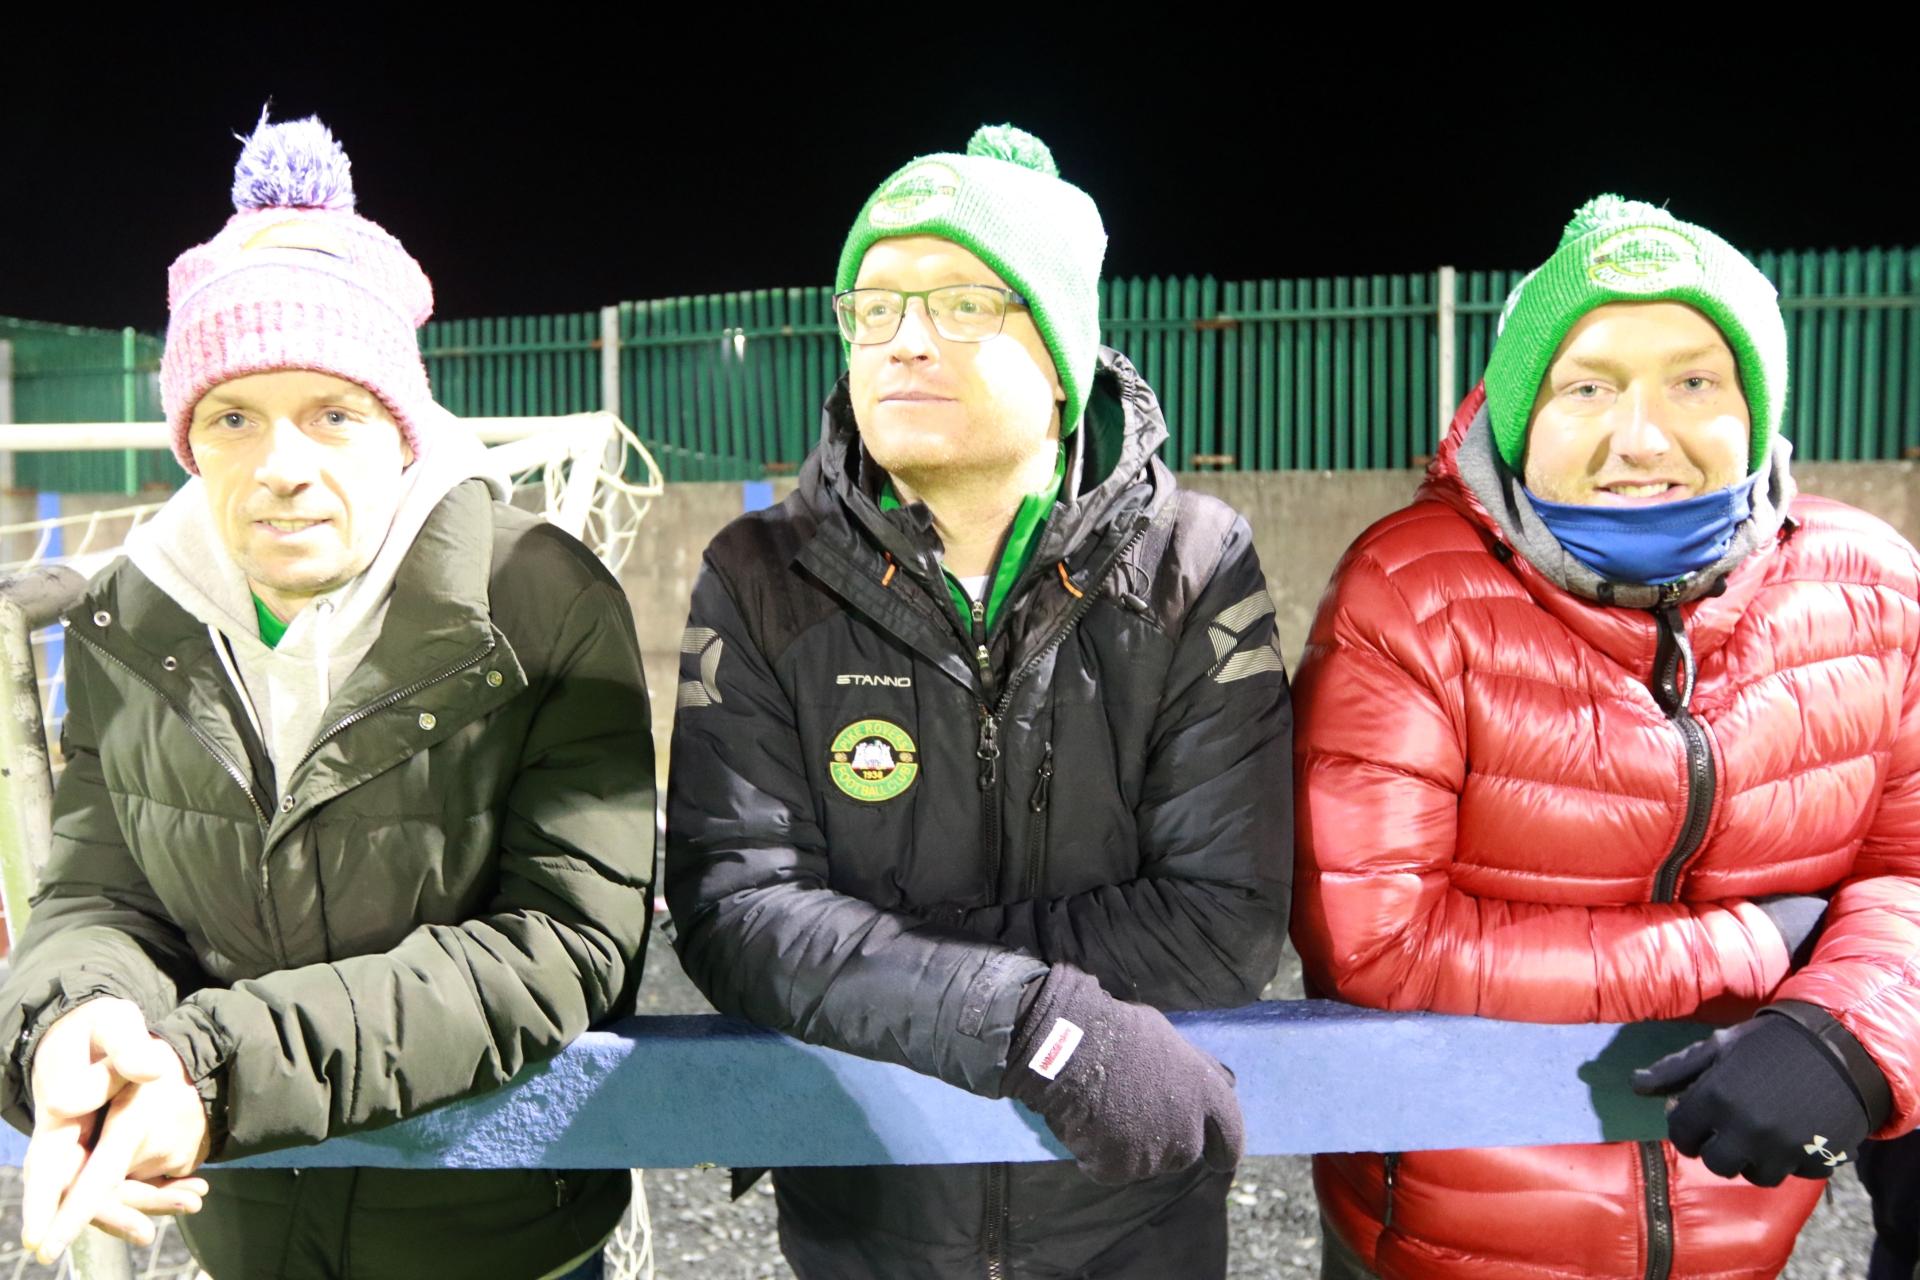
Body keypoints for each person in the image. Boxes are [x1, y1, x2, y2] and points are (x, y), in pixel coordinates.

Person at [0, 114, 655, 1280]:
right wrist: (75, 1016)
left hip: (501, 1247)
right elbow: (103, 890)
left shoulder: (542, 600)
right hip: (248, 1236)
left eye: (332, 412)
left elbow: (563, 941)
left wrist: (214, 1065)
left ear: (400, 427)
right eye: (233, 415)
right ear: (189, 435)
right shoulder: (132, 616)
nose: (279, 464)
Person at [665, 124, 1292, 1279]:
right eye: (874, 306)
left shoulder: (1194, 564)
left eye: (961, 304)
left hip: (1131, 1218)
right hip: (867, 1218)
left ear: (1059, 355)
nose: (902, 341)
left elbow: (1223, 918)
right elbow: (735, 908)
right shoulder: (759, 573)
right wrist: (1027, 1020)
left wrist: (879, 964)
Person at [1292, 195, 1920, 1279]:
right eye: (1589, 385)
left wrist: (1852, 1022)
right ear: (1521, 412)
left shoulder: (1869, 589)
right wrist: (1760, 943)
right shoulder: (1411, 591)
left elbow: (1907, 871)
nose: (1642, 437)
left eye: (1694, 379)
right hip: (1444, 1242)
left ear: (1758, 404)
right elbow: (1379, 940)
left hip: (1743, 1230)